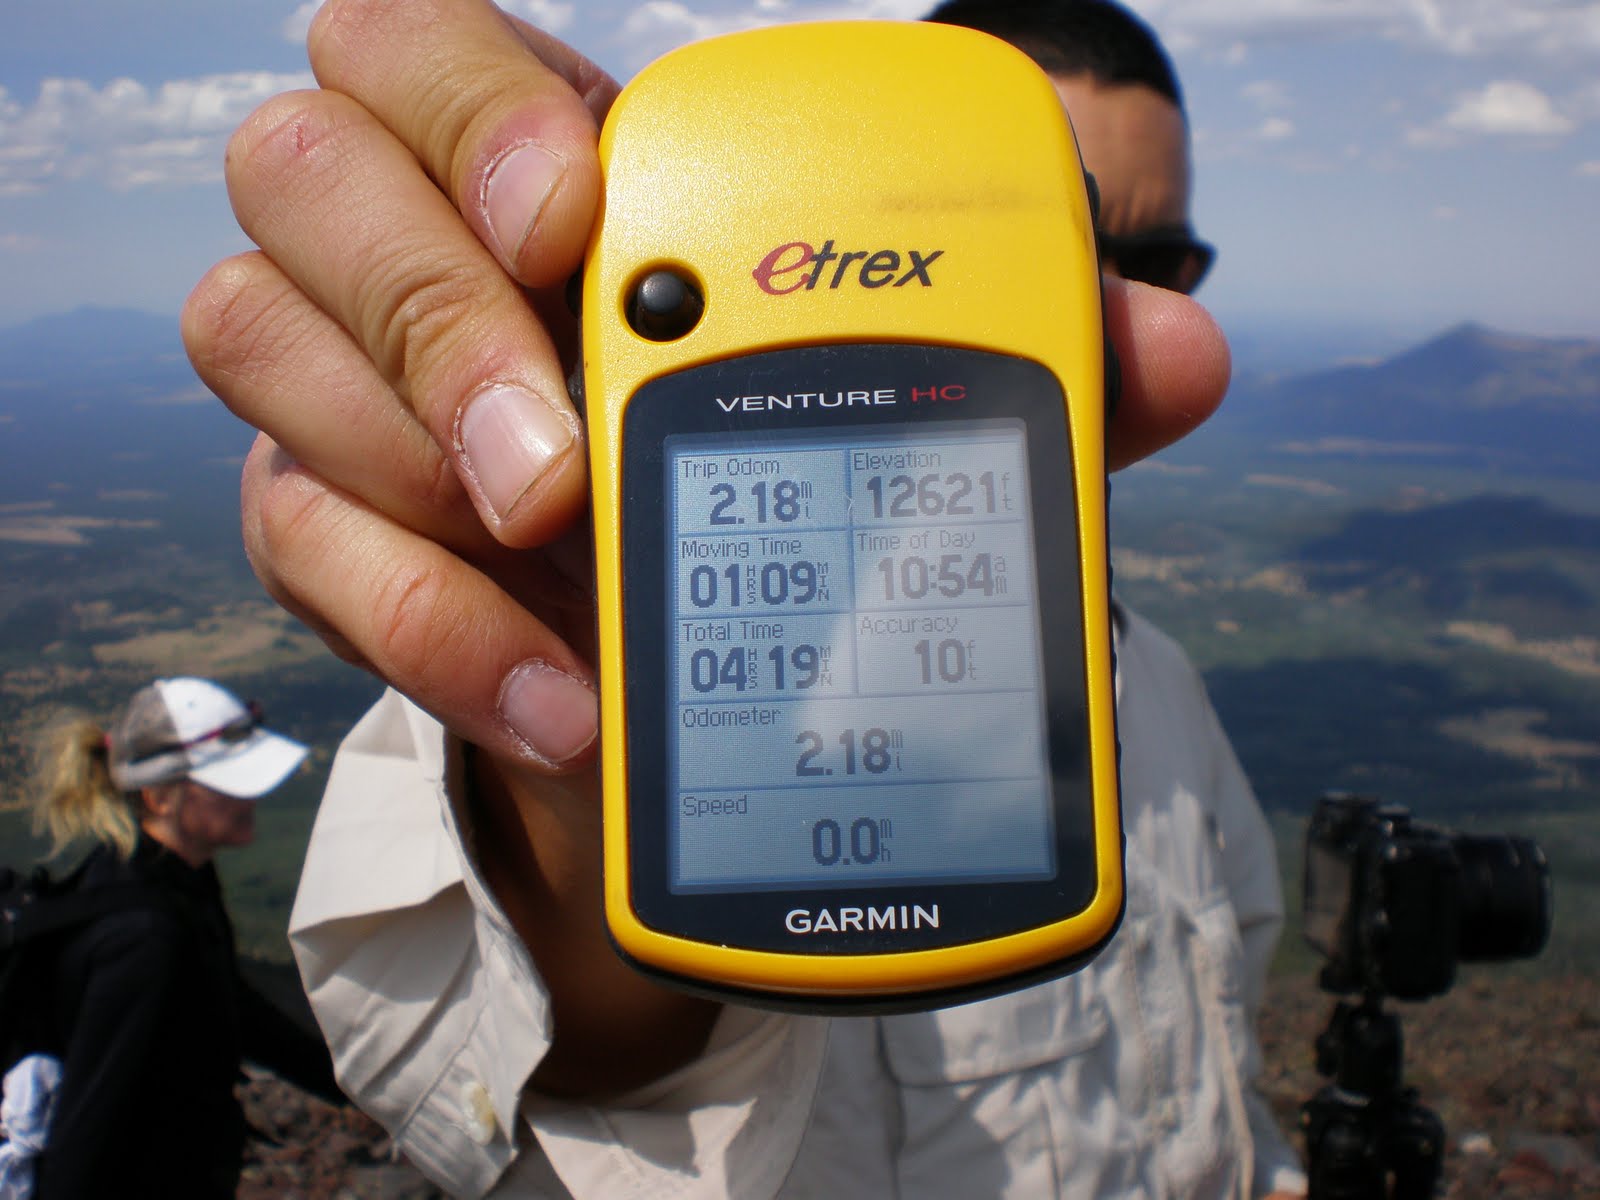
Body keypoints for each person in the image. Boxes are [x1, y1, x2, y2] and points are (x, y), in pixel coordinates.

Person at [181, 0, 1301, 1195]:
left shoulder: (1165, 689)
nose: (1113, 305)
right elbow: (536, 1059)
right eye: (1020, 224)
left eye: (1160, 262)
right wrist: (571, 774)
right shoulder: (630, 600)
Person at [12, 676, 343, 1198]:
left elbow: (227, 1003)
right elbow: (90, 1123)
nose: (252, 795)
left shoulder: (168, 880)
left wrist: (349, 1082)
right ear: (160, 797)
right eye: (228, 782)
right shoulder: (144, 939)